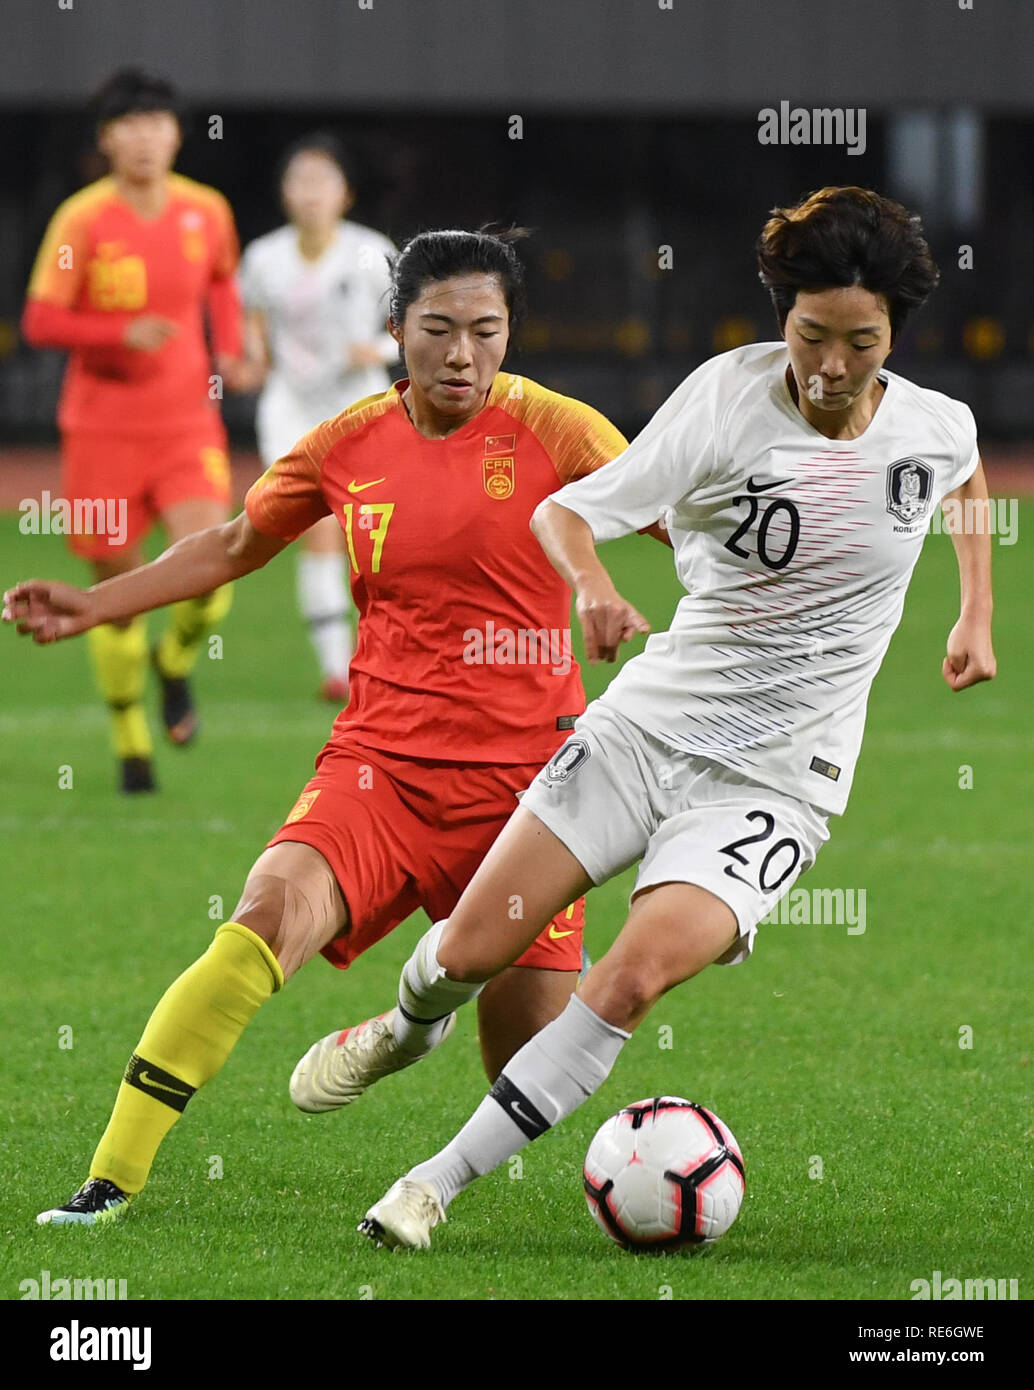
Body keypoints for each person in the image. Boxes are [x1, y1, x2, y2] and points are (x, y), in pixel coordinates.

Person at [283, 186, 995, 1252]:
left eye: (859, 341)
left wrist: (973, 608)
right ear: (779, 318)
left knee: (627, 976)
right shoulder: (723, 401)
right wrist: (591, 588)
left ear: (893, 335)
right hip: (644, 732)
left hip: (775, 782)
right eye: (809, 335)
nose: (830, 365)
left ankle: (427, 1186)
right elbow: (565, 508)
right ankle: (406, 1021)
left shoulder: (934, 426)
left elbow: (964, 479)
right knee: (471, 951)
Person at [5, 228, 653, 1227]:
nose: (461, 355)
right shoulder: (347, 444)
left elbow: (676, 506)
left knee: (523, 1060)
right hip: (379, 772)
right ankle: (107, 1183)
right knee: (260, 919)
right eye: (436, 329)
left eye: (485, 331)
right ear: (393, 330)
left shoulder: (561, 431)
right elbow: (230, 542)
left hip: (530, 794)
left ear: (508, 334)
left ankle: (405, 1025)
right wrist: (96, 606)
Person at [20, 68, 247, 793]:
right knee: (115, 589)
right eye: (129, 125)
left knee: (213, 567)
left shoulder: (206, 210)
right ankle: (131, 741)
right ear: (106, 139)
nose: (145, 138)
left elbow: (220, 280)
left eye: (156, 123)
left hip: (185, 424)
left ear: (176, 134)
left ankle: (175, 663)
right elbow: (40, 320)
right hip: (101, 432)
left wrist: (232, 347)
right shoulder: (80, 221)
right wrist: (119, 332)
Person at [239, 133, 398, 703]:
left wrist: (378, 352)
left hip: (360, 406)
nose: (310, 193)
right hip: (291, 410)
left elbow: (412, 324)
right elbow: (252, 332)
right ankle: (339, 671)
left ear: (346, 193)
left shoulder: (374, 252)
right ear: (284, 192)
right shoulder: (262, 258)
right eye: (299, 180)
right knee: (321, 528)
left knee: (372, 537)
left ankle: (380, 660)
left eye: (321, 180)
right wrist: (247, 363)